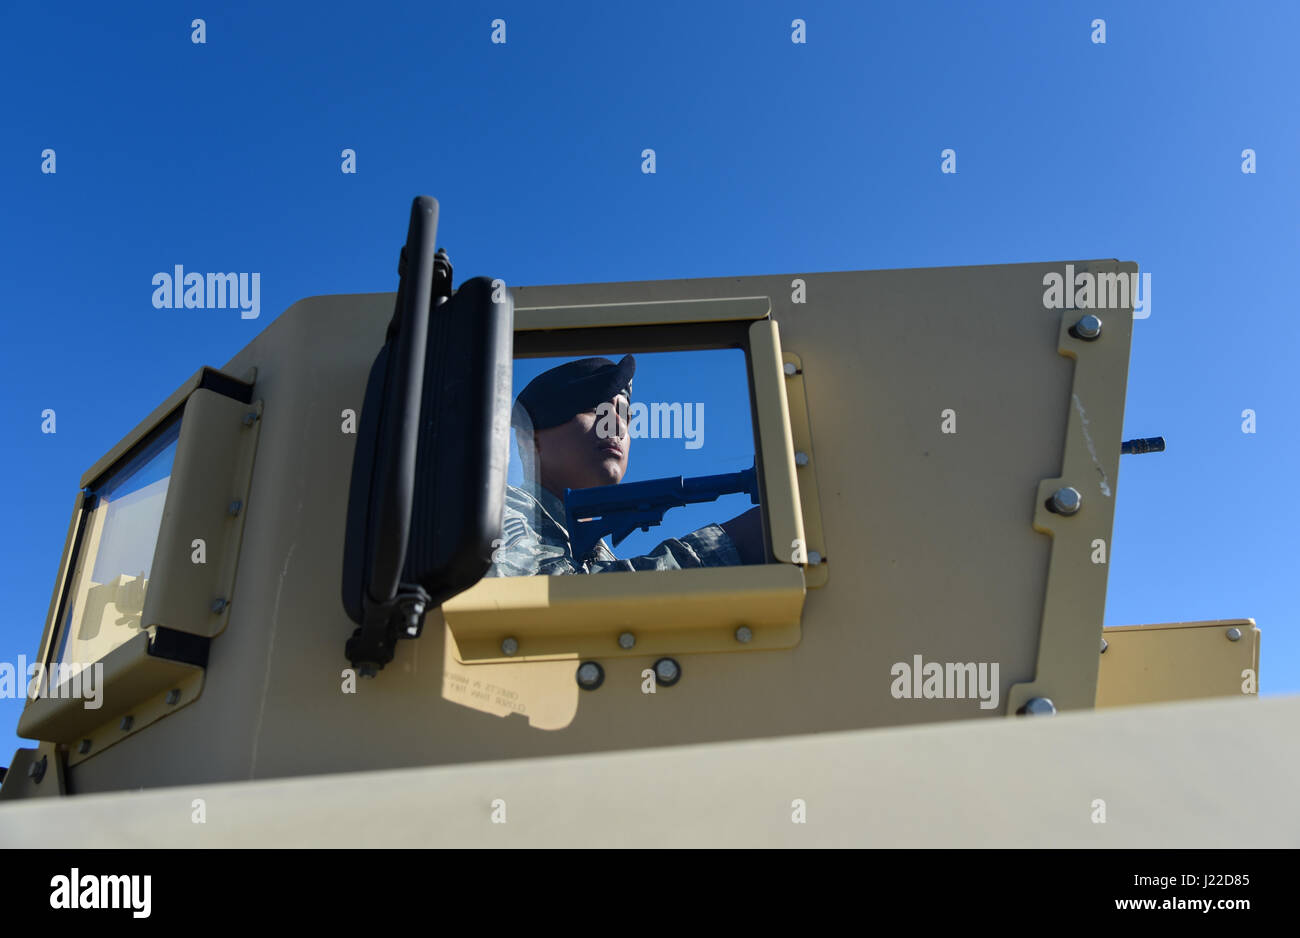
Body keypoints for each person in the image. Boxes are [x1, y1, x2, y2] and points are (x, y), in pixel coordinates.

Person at [487, 354, 763, 576]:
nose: (616, 425)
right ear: (530, 439)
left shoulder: (589, 547)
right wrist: (731, 543)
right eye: (596, 410)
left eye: (625, 417)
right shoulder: (501, 513)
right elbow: (564, 606)